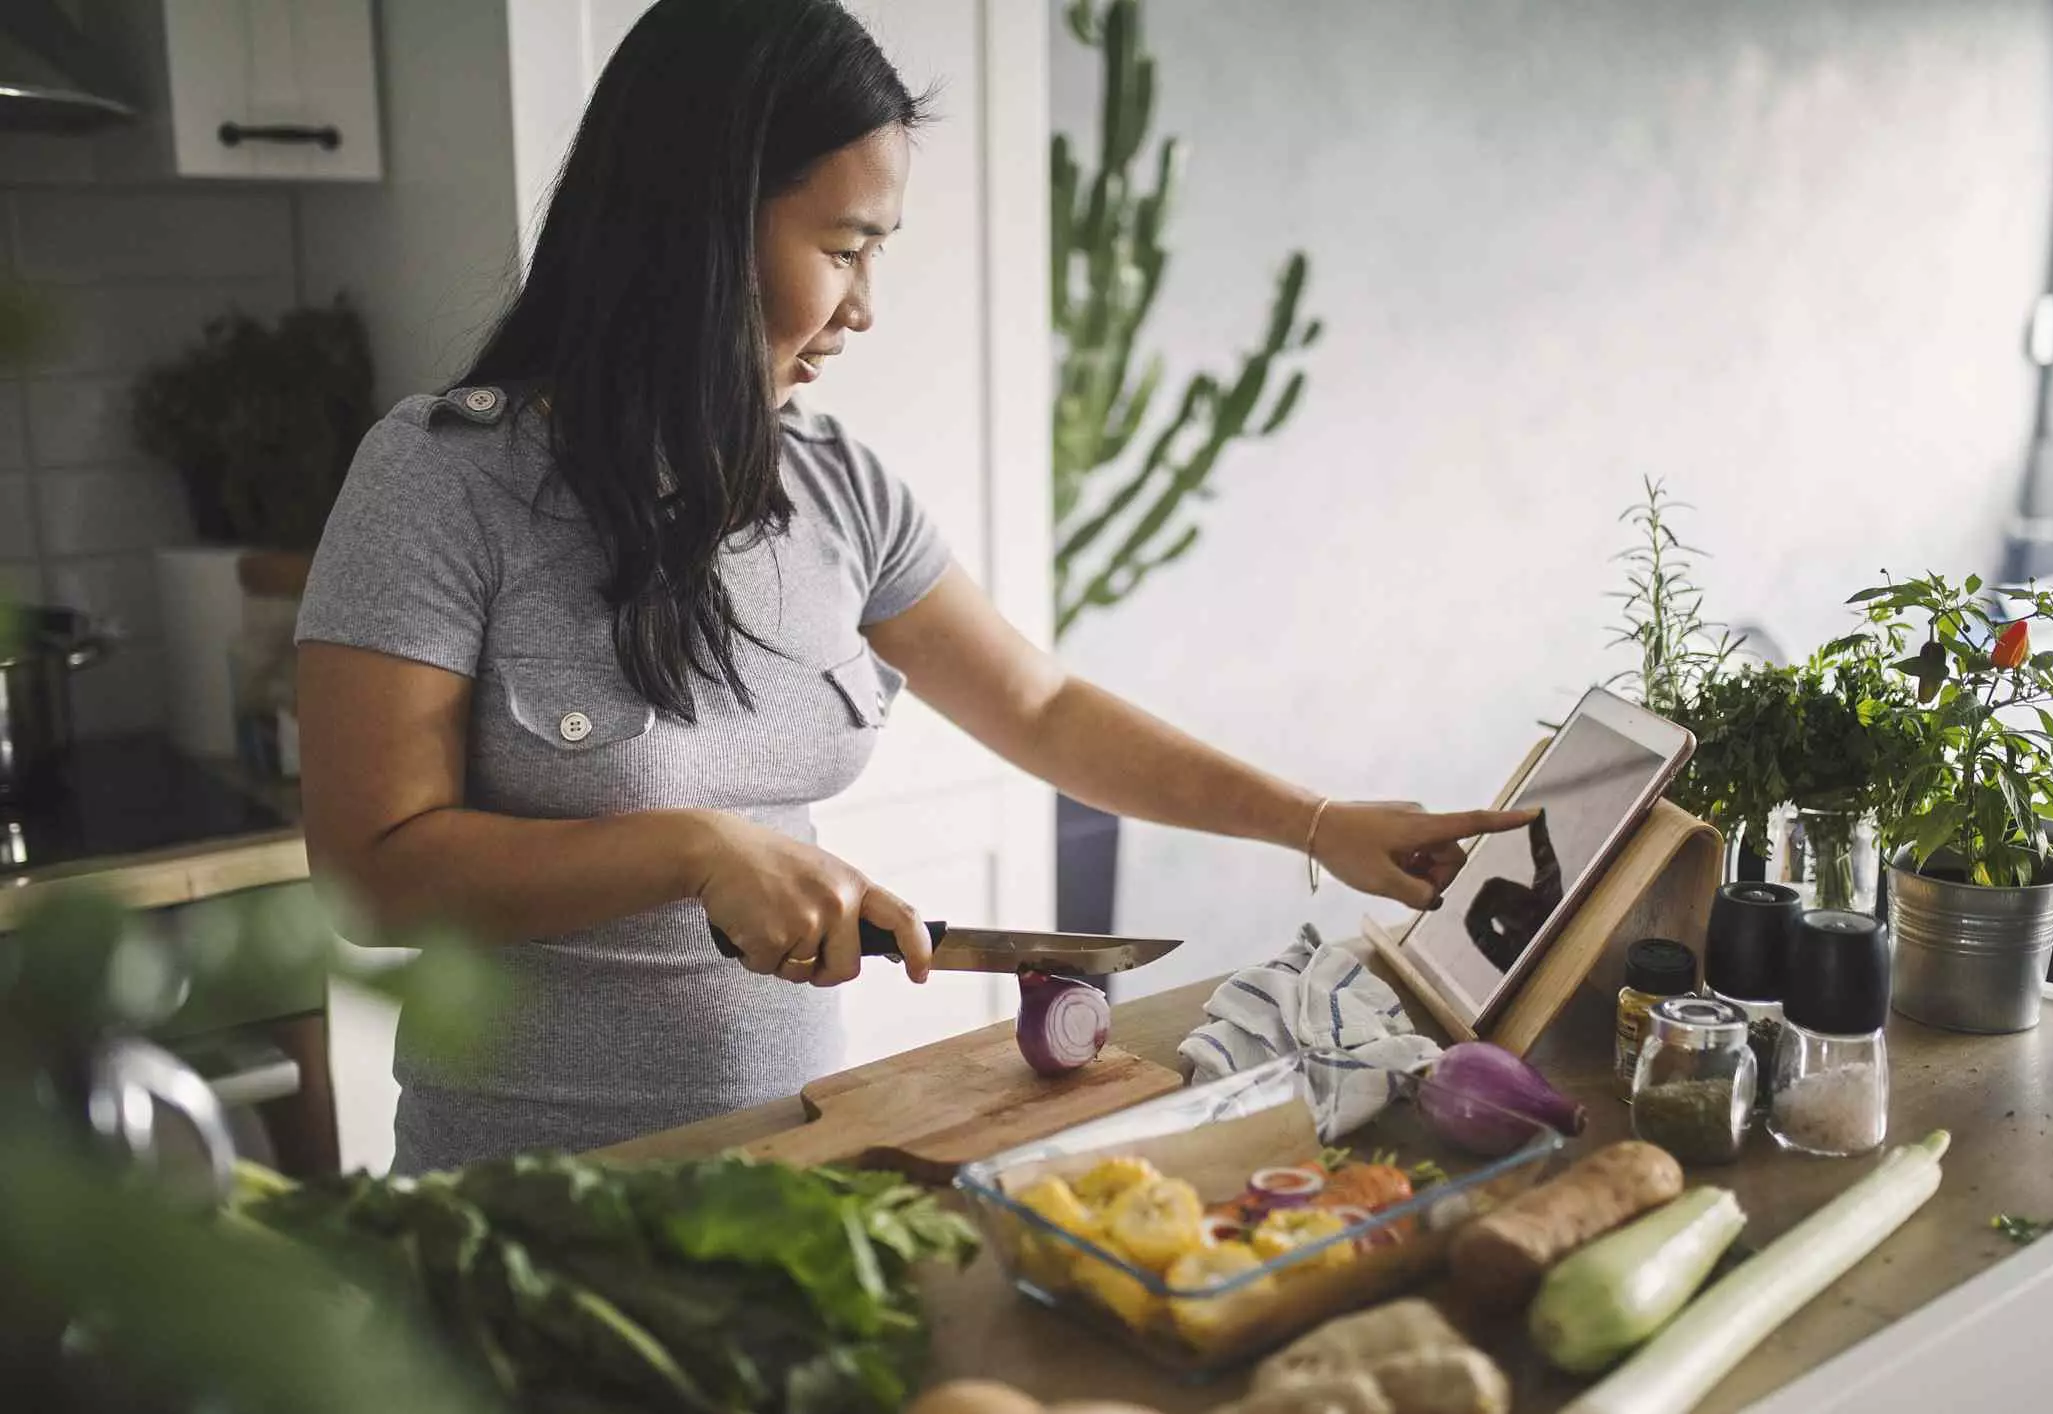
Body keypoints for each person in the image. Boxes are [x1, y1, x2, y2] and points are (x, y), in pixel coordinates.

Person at [294, 0, 1534, 1173]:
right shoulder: (440, 479)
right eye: (843, 249)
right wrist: (688, 847)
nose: (864, 308)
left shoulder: (841, 490)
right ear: (697, 230)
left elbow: (1041, 709)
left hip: (794, 1161)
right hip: (525, 1197)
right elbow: (371, 871)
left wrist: (1318, 825)